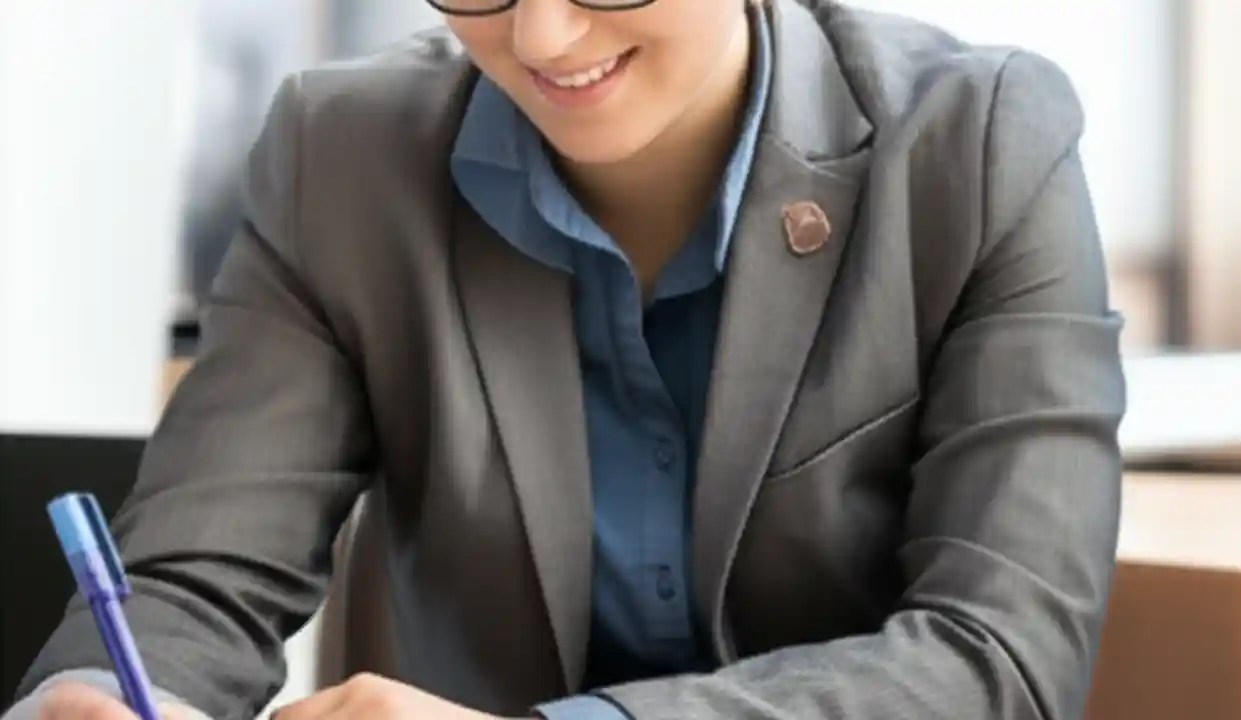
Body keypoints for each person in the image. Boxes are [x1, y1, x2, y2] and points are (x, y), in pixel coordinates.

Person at [11, 0, 1126, 718]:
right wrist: (101, 690)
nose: (539, 37)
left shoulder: (979, 144)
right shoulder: (339, 156)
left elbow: (1000, 661)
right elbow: (197, 580)